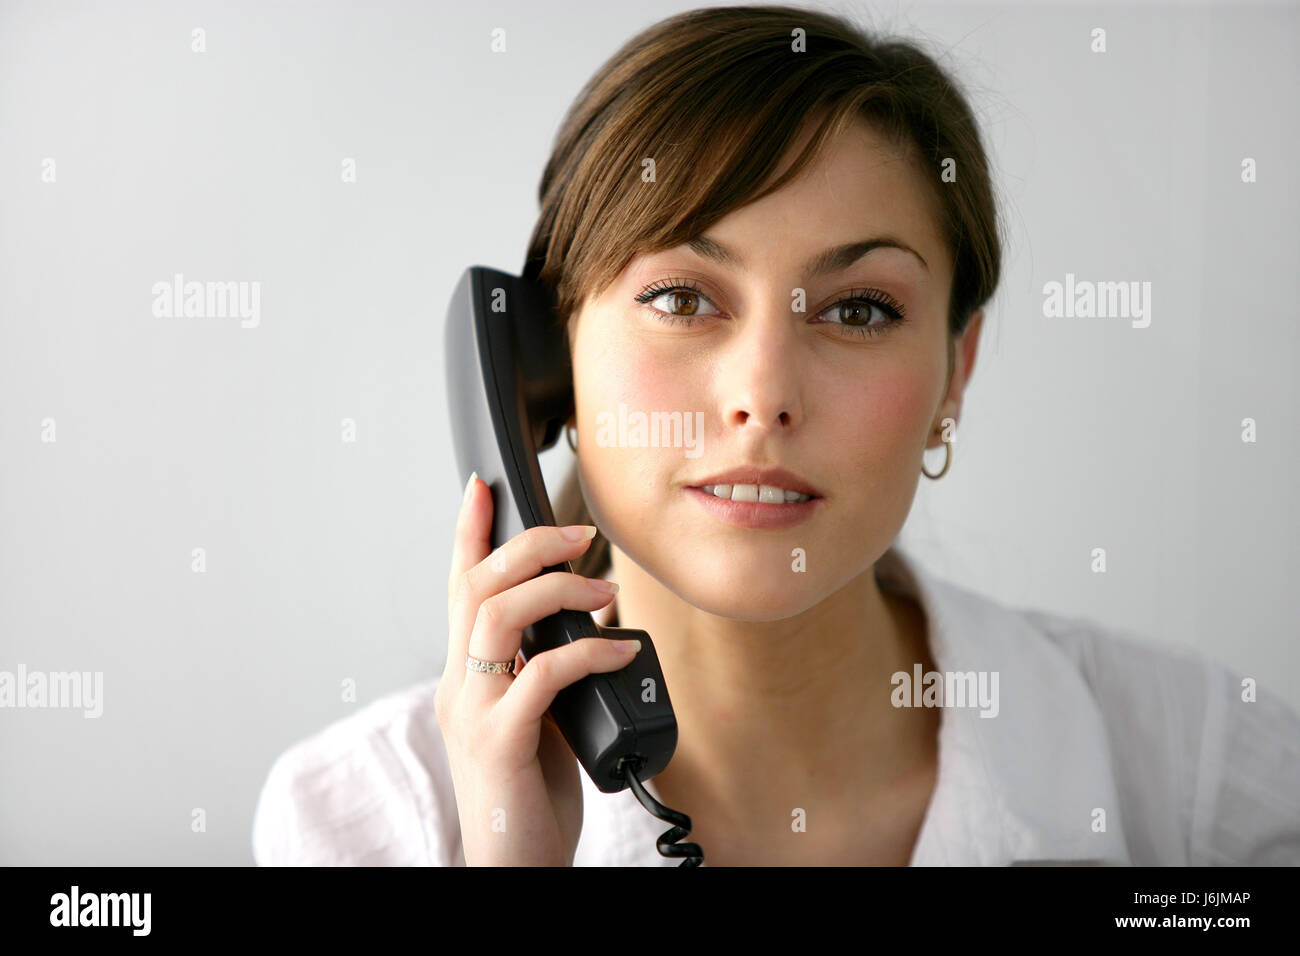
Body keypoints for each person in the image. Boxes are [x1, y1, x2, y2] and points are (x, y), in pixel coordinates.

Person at [251, 4, 1300, 866]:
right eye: (679, 297)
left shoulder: (1196, 767)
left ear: (955, 373)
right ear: (541, 365)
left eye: (857, 310)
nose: (763, 394)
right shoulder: (358, 823)